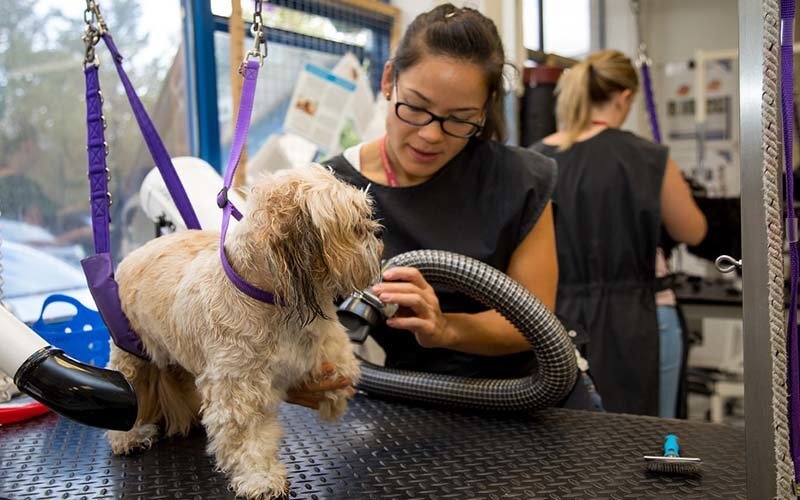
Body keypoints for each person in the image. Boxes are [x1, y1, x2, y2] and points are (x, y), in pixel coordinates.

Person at [286, 4, 569, 409]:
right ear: (389, 81)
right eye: (416, 107)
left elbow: (535, 325)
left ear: (485, 109)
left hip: (518, 404)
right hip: (397, 408)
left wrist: (445, 329)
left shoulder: (520, 181)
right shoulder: (329, 191)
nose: (432, 135)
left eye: (459, 119)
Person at [530, 50, 707, 417]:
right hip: (639, 320)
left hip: (556, 322)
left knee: (566, 440)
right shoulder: (648, 157)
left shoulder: (534, 160)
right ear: (624, 97)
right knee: (650, 440)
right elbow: (693, 230)